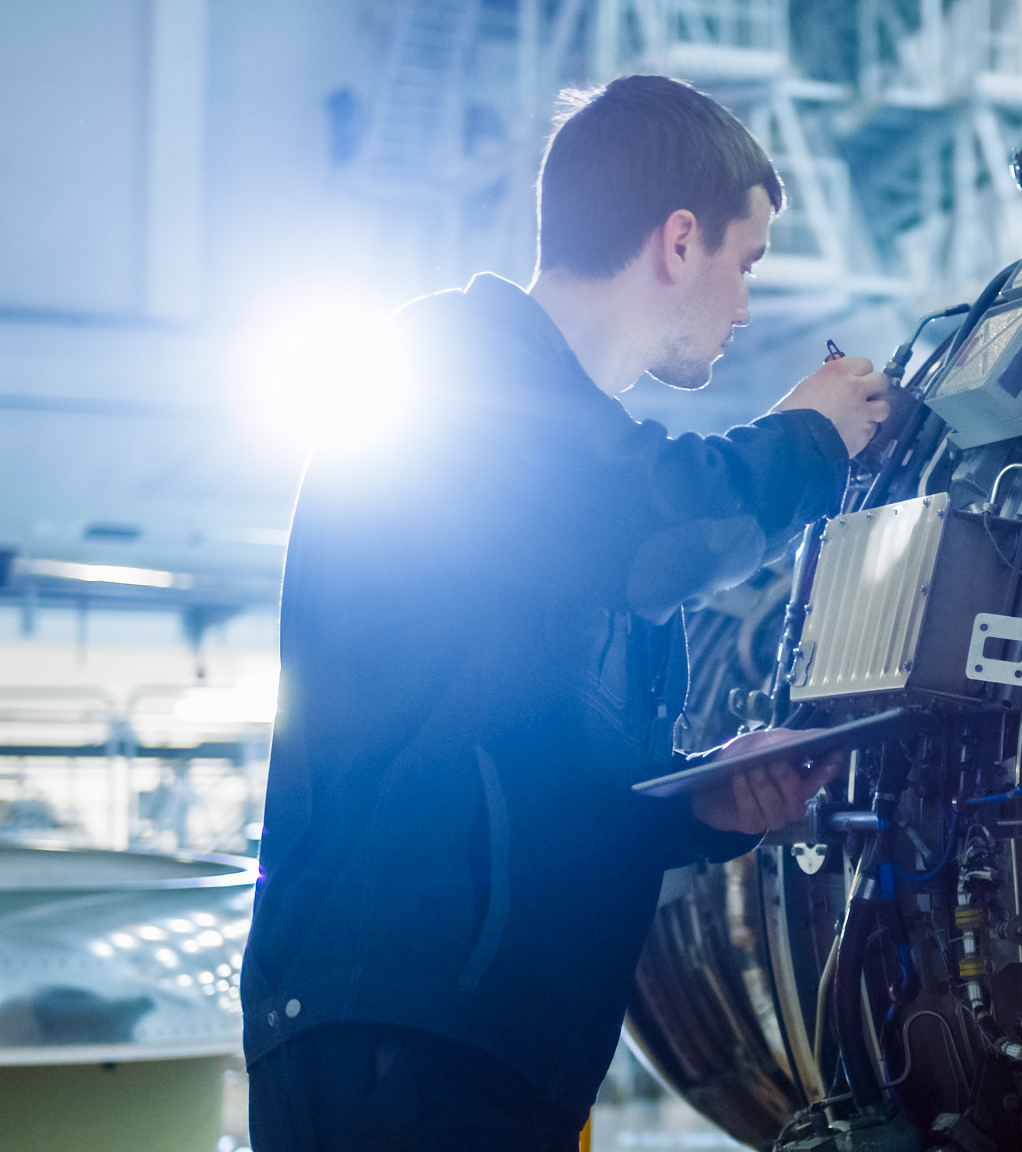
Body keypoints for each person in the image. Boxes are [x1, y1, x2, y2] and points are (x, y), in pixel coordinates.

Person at [242, 75, 889, 1150]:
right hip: (393, 1044)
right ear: (679, 241)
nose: (745, 305)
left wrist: (698, 812)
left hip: (500, 1058)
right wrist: (811, 438)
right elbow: (656, 533)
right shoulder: (447, 368)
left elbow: (547, 791)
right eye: (746, 262)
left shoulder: (573, 488)